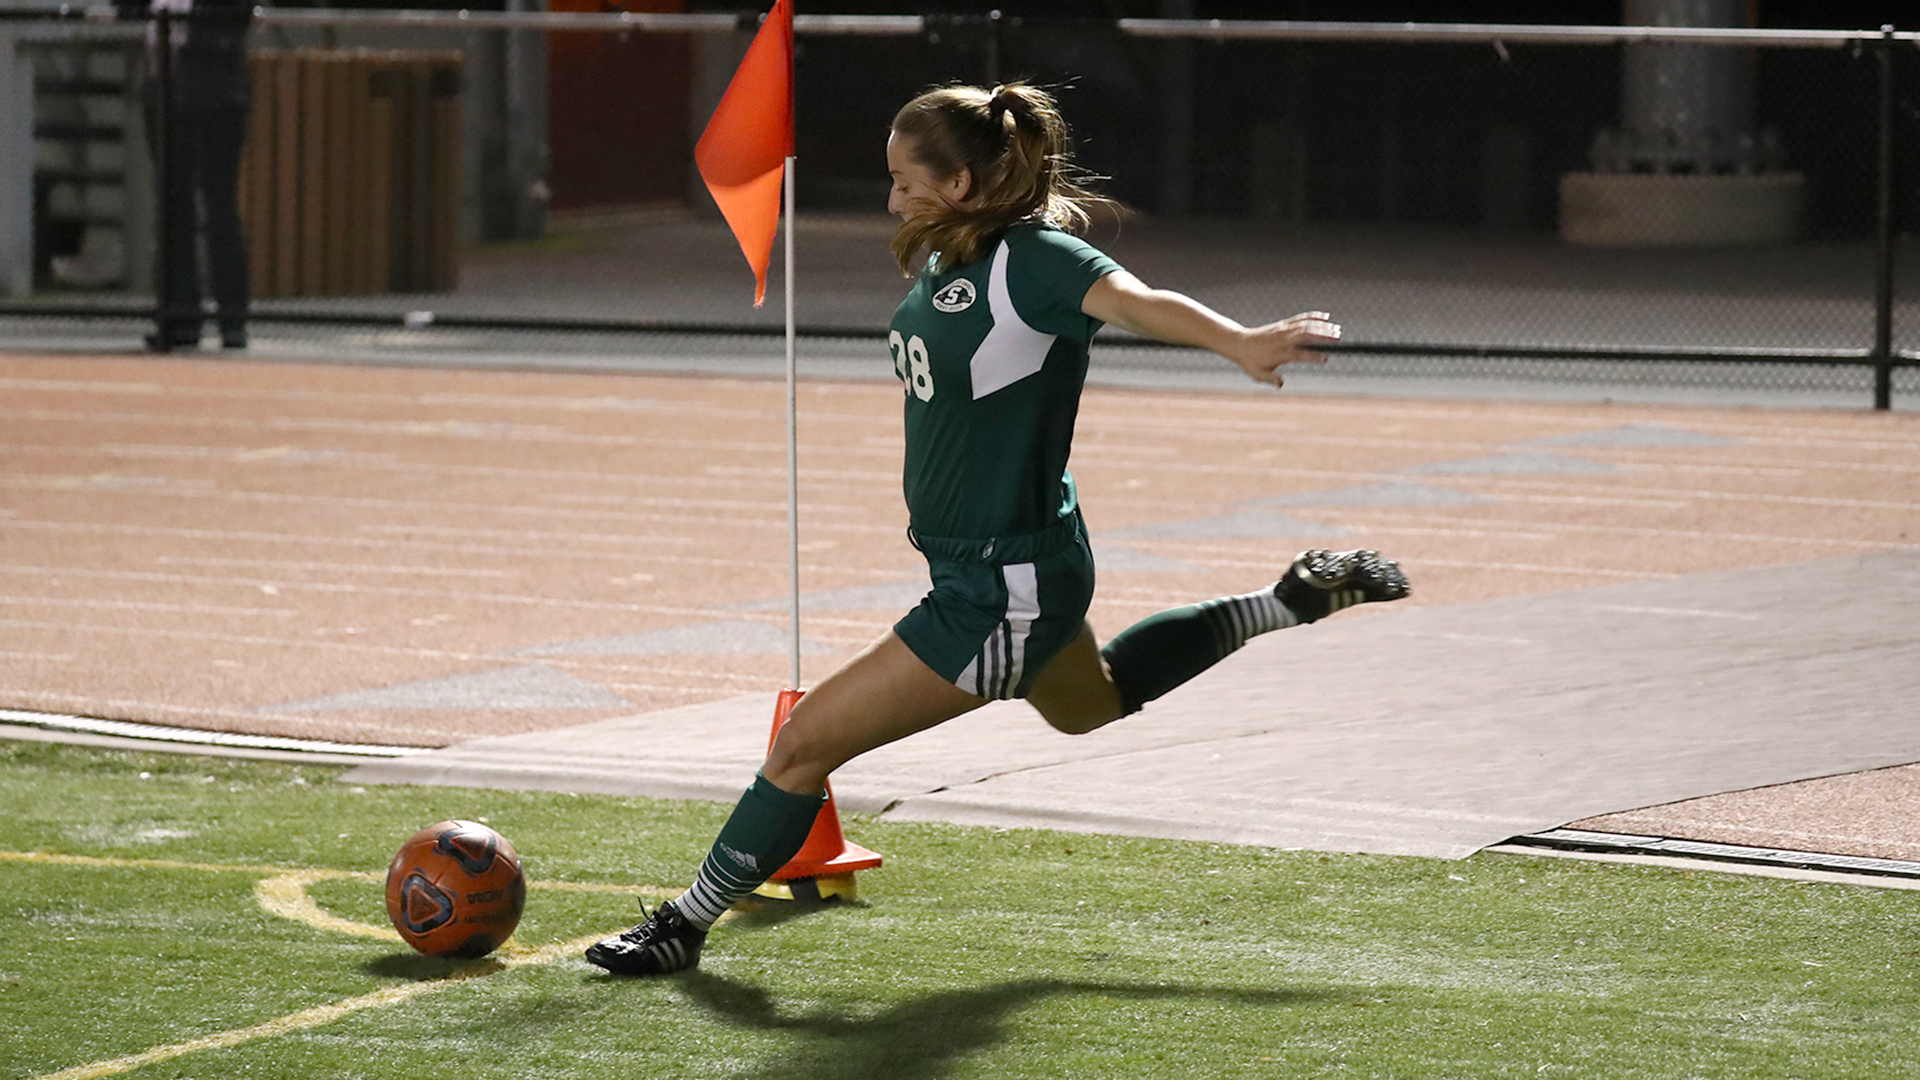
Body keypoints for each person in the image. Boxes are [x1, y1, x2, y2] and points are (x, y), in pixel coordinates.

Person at [585, 82, 1409, 977]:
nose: (891, 199)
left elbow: (1137, 300)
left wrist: (1238, 341)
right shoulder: (953, 252)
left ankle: (683, 925)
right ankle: (1290, 600)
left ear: (961, 183)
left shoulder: (1033, 259)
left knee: (801, 747)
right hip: (1012, 565)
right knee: (1090, 704)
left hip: (1002, 585)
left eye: (905, 181)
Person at [121, 0, 254, 351]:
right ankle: (178, 317)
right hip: (163, 87)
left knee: (219, 206)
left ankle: (232, 320)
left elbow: (234, 17)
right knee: (172, 206)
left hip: (216, 92)